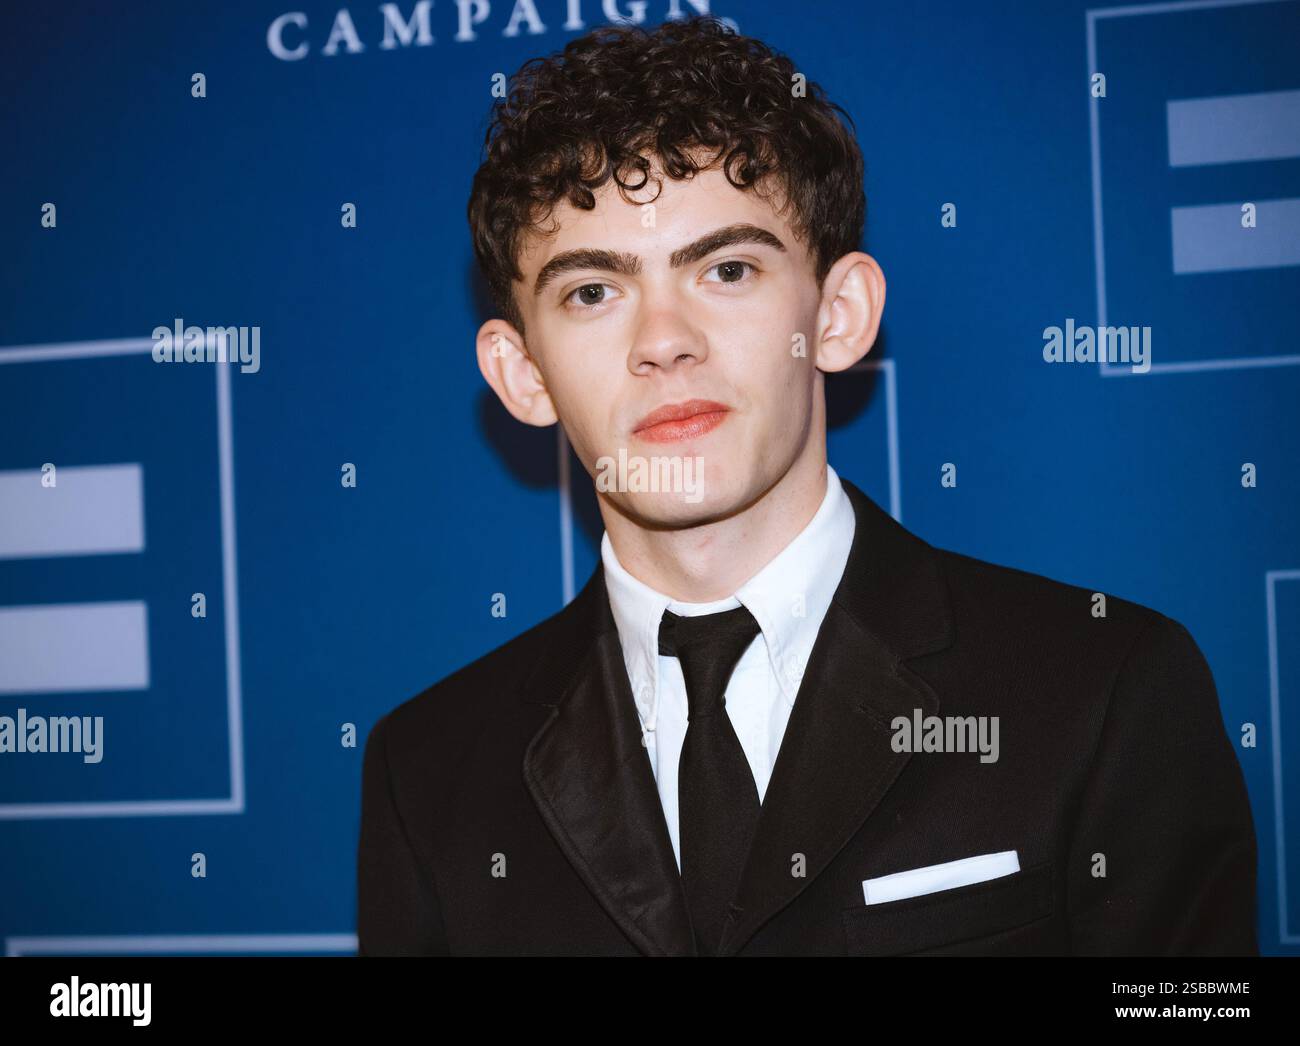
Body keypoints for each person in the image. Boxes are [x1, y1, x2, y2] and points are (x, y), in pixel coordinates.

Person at [356, 15, 1258, 956]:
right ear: (522, 375)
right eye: (593, 291)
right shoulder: (426, 773)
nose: (664, 340)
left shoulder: (1101, 688)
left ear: (839, 315)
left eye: (728, 268)